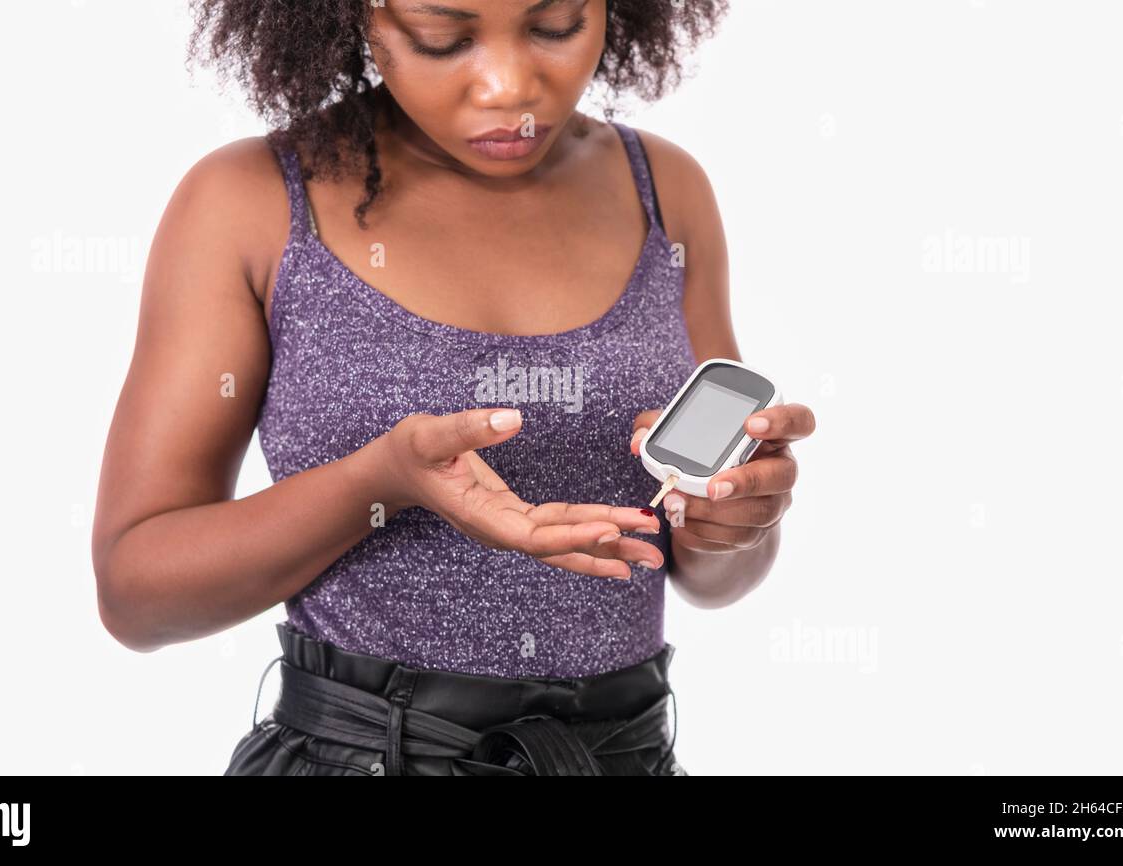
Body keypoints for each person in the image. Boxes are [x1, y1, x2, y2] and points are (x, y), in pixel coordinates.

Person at [91, 0, 816, 775]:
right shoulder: (250, 202)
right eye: (444, 38)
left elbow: (711, 573)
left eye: (556, 26)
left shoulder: (665, 192)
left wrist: (733, 525)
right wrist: (381, 484)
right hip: (363, 757)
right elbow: (136, 594)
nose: (507, 87)